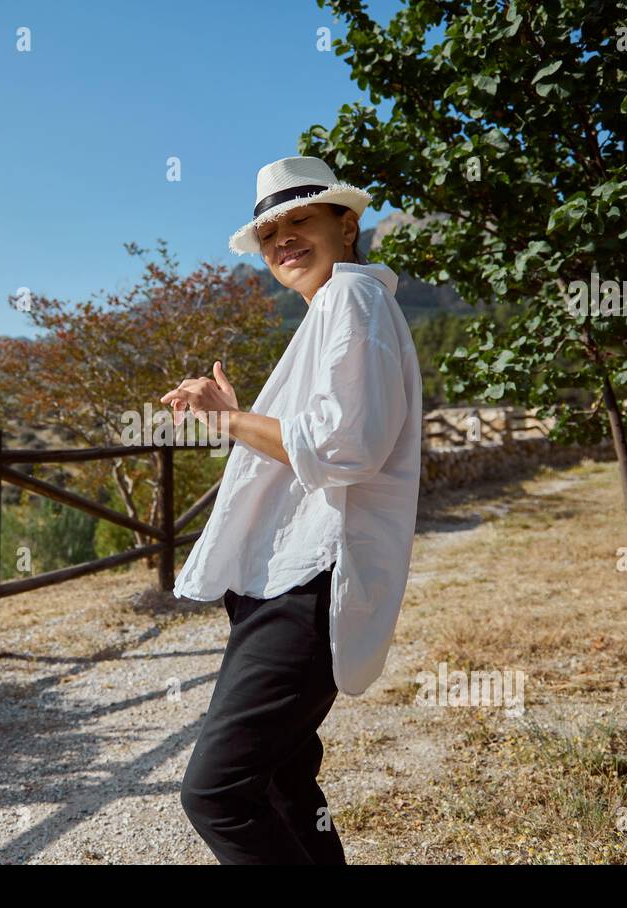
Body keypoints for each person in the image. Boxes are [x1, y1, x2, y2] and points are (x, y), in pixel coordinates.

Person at [161, 155, 422, 864]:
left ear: (347, 223)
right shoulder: (336, 311)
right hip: (287, 581)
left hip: (310, 584)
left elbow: (345, 447)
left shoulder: (351, 301)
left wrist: (231, 419)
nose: (282, 240)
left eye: (299, 221)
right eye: (270, 231)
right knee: (281, 781)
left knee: (217, 792)